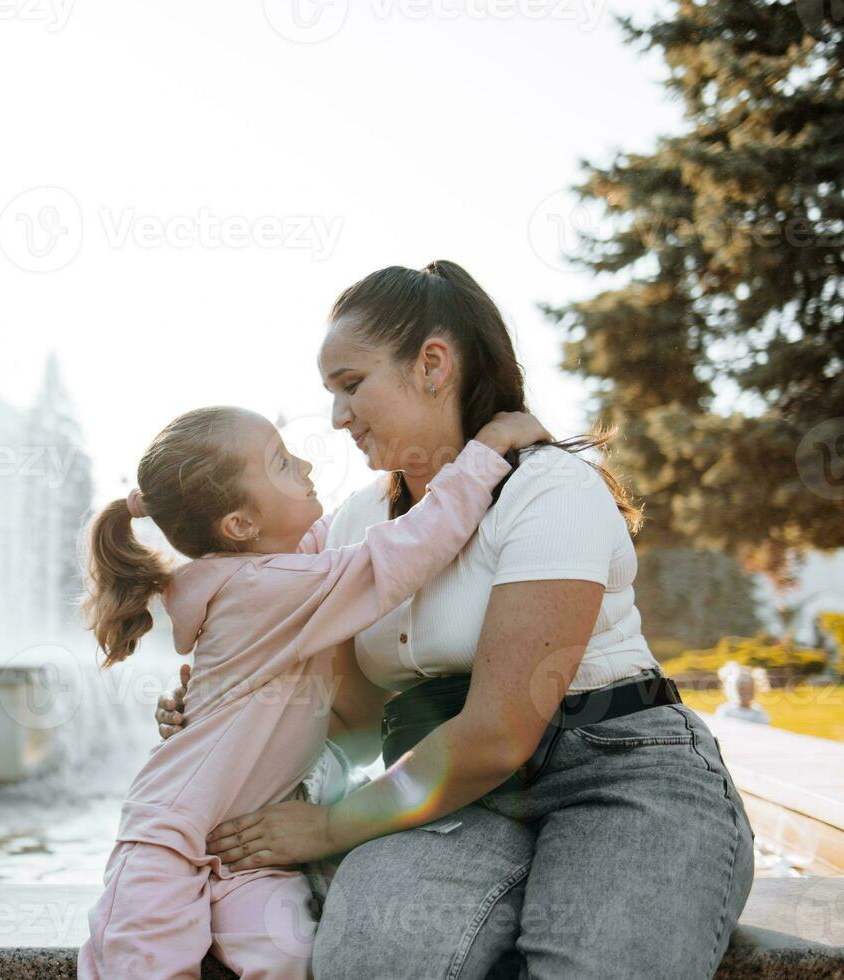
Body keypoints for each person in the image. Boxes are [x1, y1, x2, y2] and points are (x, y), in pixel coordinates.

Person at [158, 261, 755, 979]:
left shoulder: (550, 489)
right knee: (372, 960)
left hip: (616, 766)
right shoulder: (355, 524)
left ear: (433, 365)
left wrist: (328, 826)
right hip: (447, 789)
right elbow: (354, 716)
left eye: (352, 384)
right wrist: (228, 712)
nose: (338, 416)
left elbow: (499, 733)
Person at [78, 404, 549, 979]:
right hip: (169, 835)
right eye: (281, 463)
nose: (304, 464)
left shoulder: (279, 568)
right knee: (145, 966)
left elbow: (344, 535)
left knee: (291, 957)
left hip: (248, 847)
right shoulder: (266, 586)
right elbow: (406, 549)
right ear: (240, 526)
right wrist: (486, 453)